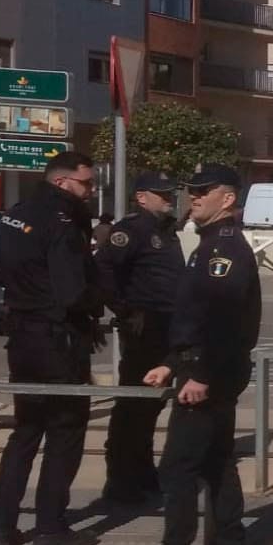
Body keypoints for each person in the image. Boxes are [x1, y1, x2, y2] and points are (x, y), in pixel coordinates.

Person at [116, 164, 262, 545]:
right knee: (216, 464)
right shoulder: (209, 246)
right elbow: (193, 317)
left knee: (178, 469)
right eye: (191, 191)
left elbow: (220, 320)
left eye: (203, 191)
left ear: (228, 199)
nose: (193, 198)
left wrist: (197, 372)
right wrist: (170, 361)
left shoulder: (223, 251)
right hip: (207, 369)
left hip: (210, 374)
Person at [0, 151, 103, 545]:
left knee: (25, 431)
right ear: (61, 182)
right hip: (58, 338)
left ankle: (1, 528)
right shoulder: (63, 221)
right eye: (85, 184)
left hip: (21, 336)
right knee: (65, 432)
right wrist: (95, 305)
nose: (90, 191)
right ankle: (50, 529)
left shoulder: (15, 214)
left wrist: (29, 289)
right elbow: (73, 291)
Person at [93, 170, 182, 506]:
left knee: (150, 405)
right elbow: (103, 270)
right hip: (145, 325)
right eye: (162, 194)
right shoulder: (131, 229)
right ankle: (120, 479)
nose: (168, 199)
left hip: (166, 324)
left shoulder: (164, 230)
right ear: (141, 197)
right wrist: (125, 310)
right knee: (133, 404)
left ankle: (142, 473)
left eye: (169, 194)